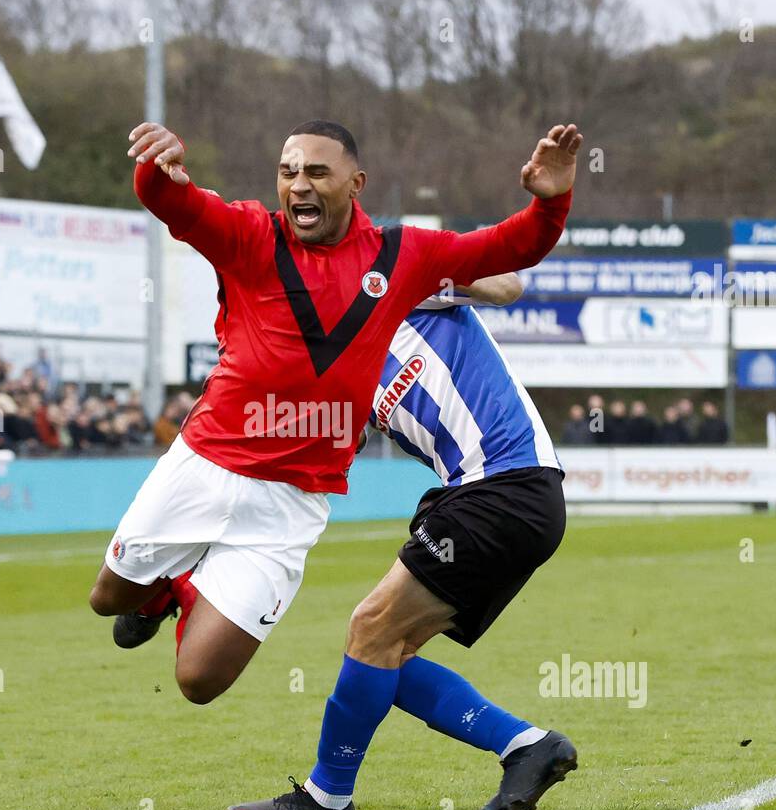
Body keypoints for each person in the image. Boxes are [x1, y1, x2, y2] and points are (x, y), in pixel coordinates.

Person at [91, 117, 580, 706]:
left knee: (198, 682)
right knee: (109, 601)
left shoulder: (403, 256)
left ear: (356, 183)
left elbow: (512, 248)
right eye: (288, 172)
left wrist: (551, 202)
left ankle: (185, 585)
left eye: (317, 172)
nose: (299, 184)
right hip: (207, 463)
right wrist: (155, 163)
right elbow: (171, 201)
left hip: (292, 500)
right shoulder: (249, 234)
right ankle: (161, 589)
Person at [226, 271, 576, 810]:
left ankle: (327, 795)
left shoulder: (392, 280)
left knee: (371, 628)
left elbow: (507, 284)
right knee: (385, 650)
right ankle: (527, 746)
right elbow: (332, 439)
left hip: (503, 486)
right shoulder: (346, 364)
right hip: (502, 498)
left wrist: (444, 274)